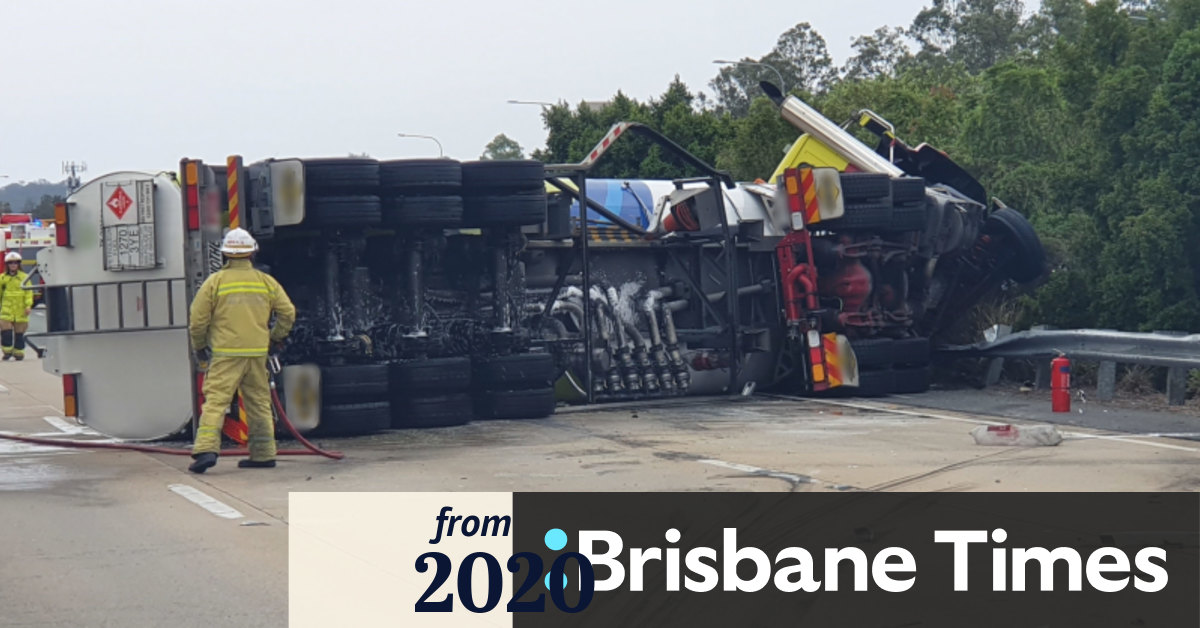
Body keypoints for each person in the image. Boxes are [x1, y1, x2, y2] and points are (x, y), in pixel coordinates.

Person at [188, 228, 296, 474]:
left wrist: (200, 345)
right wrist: (275, 338)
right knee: (258, 402)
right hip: (257, 353)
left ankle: (206, 450)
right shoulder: (265, 282)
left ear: (226, 254)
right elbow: (288, 312)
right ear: (252, 254)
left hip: (226, 354)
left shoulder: (214, 283)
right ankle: (264, 454)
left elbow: (197, 320)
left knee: (216, 402)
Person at [0, 252, 33, 361]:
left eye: (15, 263)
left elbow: (28, 293)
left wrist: (28, 306)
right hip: (6, 310)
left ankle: (19, 353)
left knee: (19, 334)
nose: (13, 265)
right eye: (11, 263)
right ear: (7, 264)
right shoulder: (3, 278)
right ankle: (7, 352)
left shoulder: (24, 278)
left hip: (21, 311)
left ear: (19, 264)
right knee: (6, 333)